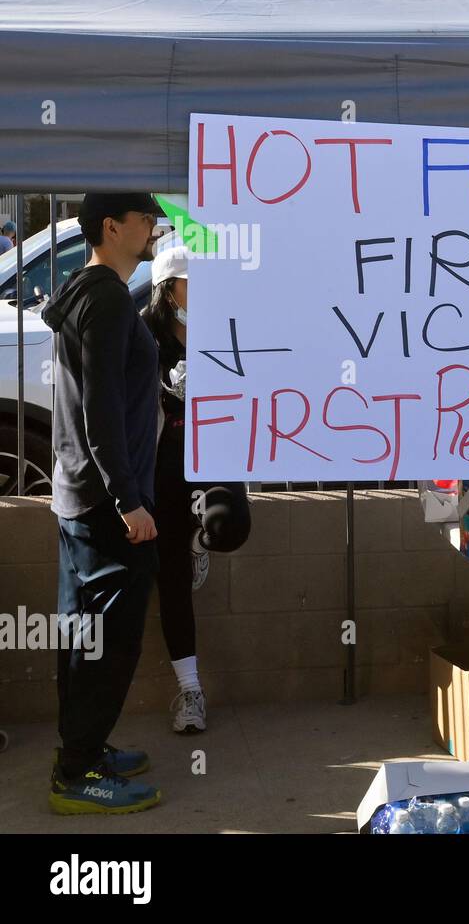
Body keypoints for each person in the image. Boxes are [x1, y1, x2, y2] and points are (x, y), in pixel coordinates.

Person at [41, 192, 164, 814]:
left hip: (78, 497)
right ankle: (77, 773)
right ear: (111, 227)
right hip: (106, 505)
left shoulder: (84, 292)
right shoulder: (110, 299)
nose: (153, 229)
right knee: (109, 641)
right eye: (144, 220)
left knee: (83, 635)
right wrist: (129, 501)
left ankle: (83, 749)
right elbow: (103, 413)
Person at [142, 243, 251, 733]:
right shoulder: (145, 334)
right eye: (192, 283)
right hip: (165, 461)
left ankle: (200, 540)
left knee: (232, 526)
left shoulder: (222, 328)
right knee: (171, 578)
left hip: (215, 457)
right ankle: (190, 690)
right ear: (168, 290)